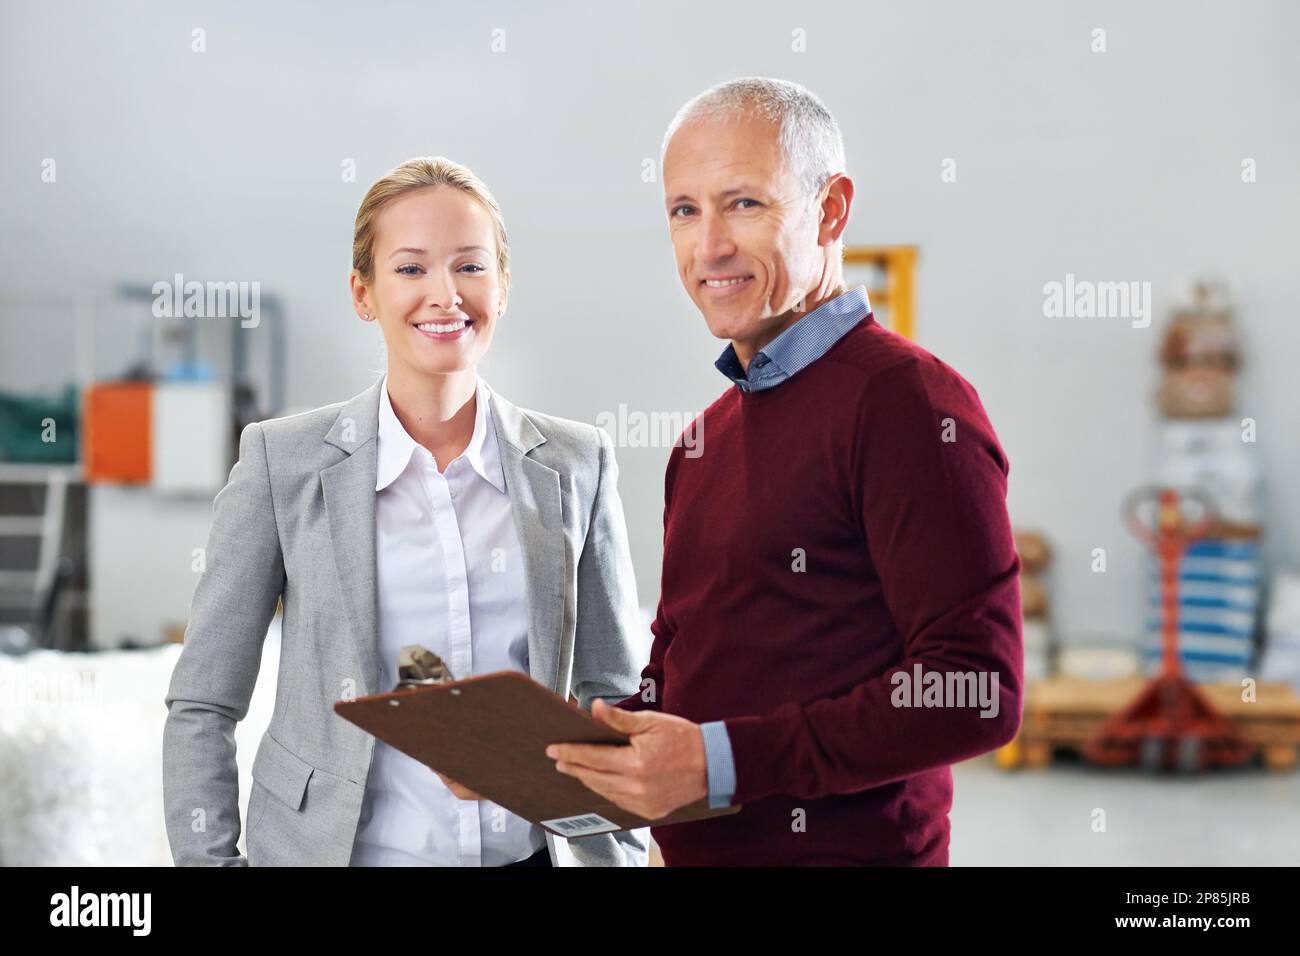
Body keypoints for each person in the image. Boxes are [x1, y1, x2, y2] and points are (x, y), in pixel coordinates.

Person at [546, 78, 1023, 865]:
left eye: (744, 204)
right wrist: (559, 753)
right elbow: (682, 671)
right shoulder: (704, 439)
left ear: (831, 210)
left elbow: (977, 690)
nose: (709, 249)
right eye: (685, 210)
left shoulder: (908, 402)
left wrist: (721, 764)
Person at [163, 156, 648, 867]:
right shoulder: (283, 462)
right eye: (412, 269)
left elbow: (614, 698)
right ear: (364, 292)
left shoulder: (577, 462)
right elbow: (204, 703)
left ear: (504, 287)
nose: (446, 294)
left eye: (471, 267)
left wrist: (620, 858)